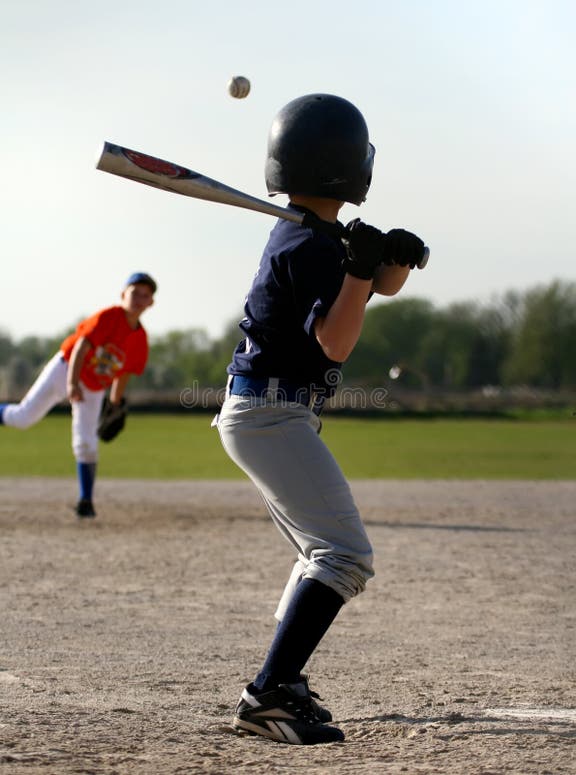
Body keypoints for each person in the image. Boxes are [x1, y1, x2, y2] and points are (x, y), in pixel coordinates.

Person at [215, 94, 427, 745]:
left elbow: (372, 288)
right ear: (350, 164)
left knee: (320, 551)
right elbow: (336, 341)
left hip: (266, 411)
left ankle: (284, 680)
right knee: (344, 555)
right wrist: (360, 269)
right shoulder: (308, 245)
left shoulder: (313, 236)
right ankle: (269, 693)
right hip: (271, 412)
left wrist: (388, 260)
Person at [0, 272, 157, 518]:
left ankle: (86, 501)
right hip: (66, 369)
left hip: (94, 386)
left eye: (145, 295)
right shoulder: (109, 317)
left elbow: (123, 374)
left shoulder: (140, 340)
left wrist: (114, 404)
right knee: (23, 417)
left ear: (151, 303)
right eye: (134, 292)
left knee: (86, 443)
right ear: (123, 294)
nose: (139, 298)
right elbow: (82, 347)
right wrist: (72, 384)